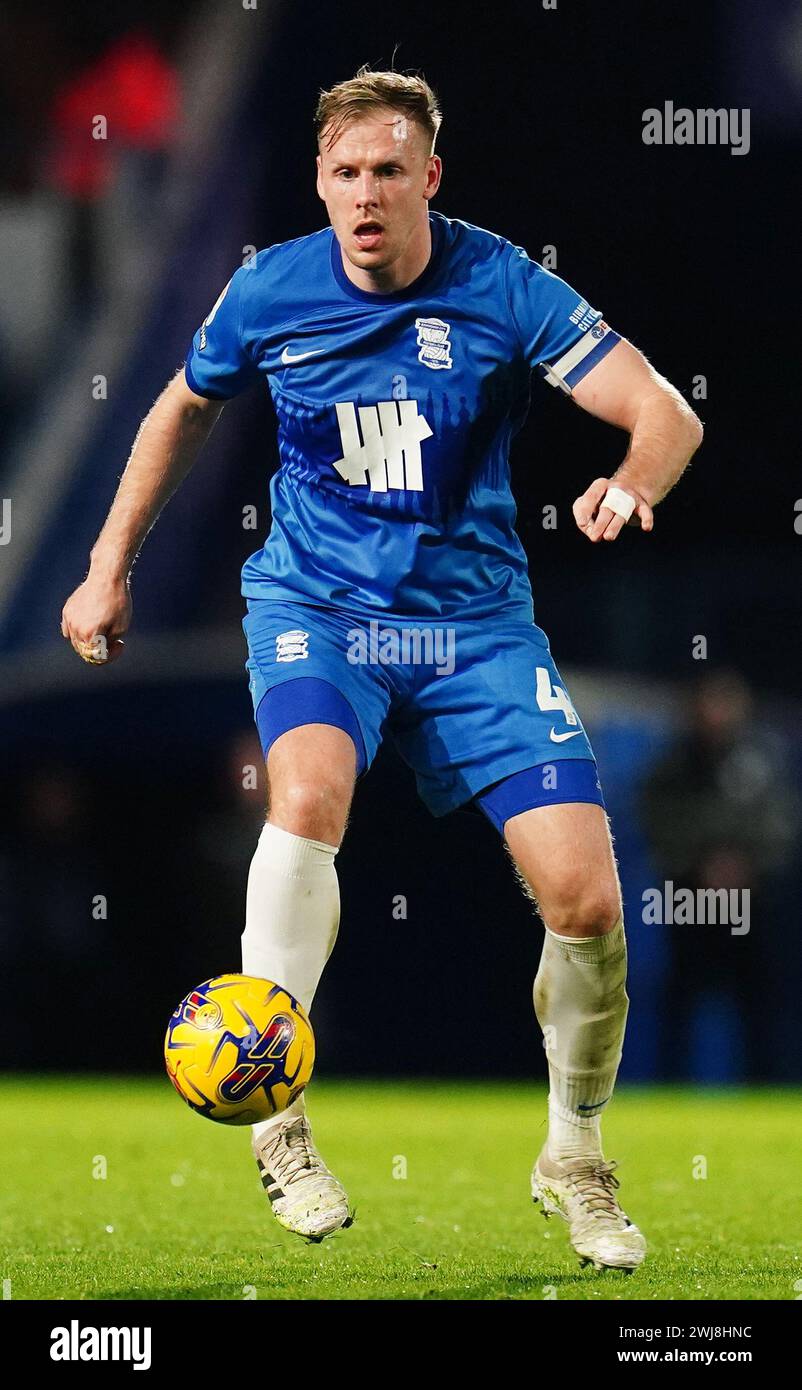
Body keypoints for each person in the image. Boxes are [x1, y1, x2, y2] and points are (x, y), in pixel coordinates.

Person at [61, 66, 703, 1271]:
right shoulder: (269, 287)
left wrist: (634, 481)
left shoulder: (503, 283)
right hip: (319, 606)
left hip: (474, 629)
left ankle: (573, 1153)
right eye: (346, 173)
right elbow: (178, 410)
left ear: (429, 181)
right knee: (304, 801)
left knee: (589, 905)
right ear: (319, 181)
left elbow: (665, 411)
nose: (366, 196)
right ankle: (280, 1115)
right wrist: (108, 564)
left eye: (389, 173)